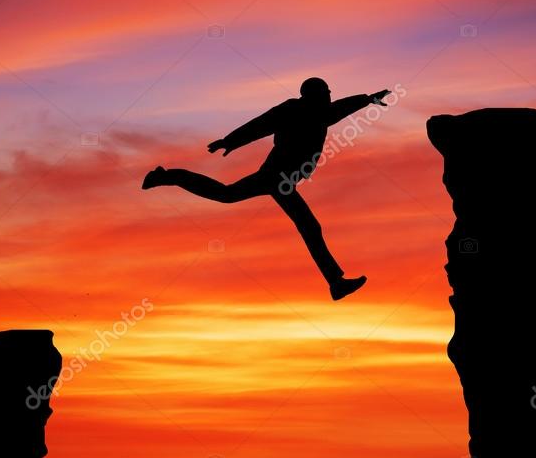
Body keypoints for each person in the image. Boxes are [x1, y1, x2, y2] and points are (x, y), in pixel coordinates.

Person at [142, 77, 391, 300]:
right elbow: (260, 125)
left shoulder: (321, 113)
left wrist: (368, 99)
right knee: (307, 226)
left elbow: (341, 107)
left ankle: (167, 176)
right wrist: (231, 141)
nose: (329, 94)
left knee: (229, 195)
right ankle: (335, 284)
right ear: (314, 94)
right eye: (326, 91)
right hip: (276, 177)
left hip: (281, 180)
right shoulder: (294, 110)